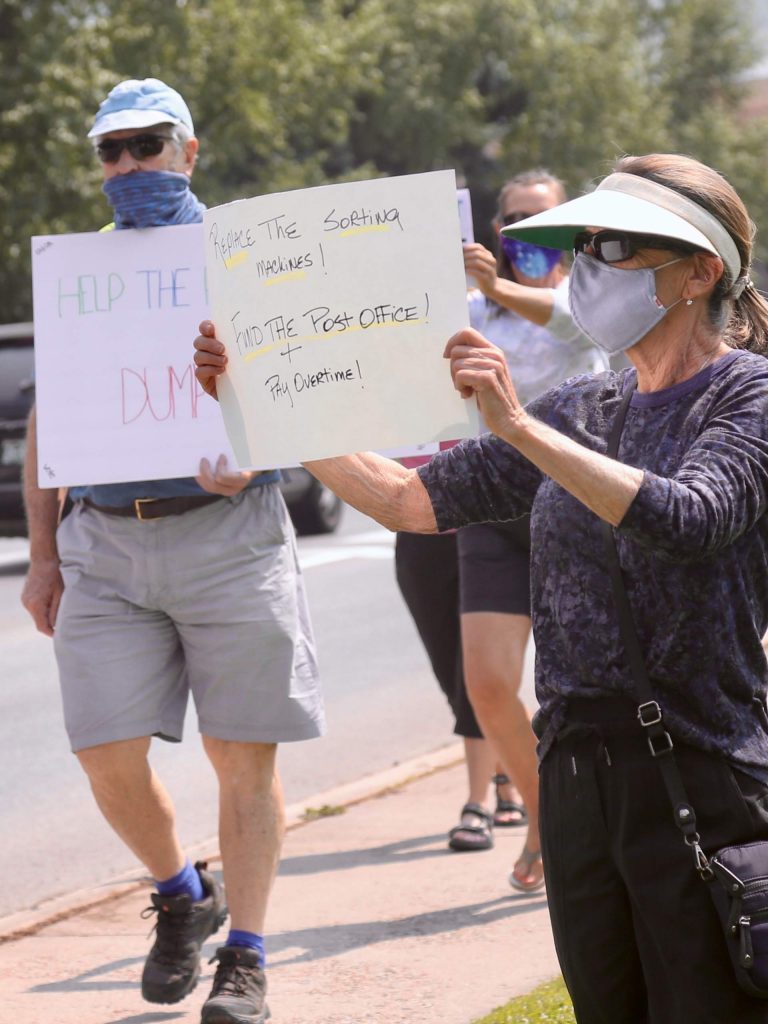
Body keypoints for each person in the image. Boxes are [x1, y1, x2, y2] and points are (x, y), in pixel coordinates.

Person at [196, 151, 768, 1022]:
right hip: (574, 775)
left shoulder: (746, 396)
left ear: (701, 273)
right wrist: (260, 397)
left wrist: (519, 428)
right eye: (583, 246)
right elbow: (408, 501)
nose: (590, 267)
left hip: (698, 770)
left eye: (617, 247)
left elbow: (690, 517)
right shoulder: (582, 408)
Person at [22, 79, 324, 1024]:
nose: (127, 165)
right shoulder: (78, 270)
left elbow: (305, 378)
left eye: (147, 145)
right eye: (111, 150)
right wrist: (43, 554)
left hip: (231, 535)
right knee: (102, 752)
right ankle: (185, 894)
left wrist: (259, 454)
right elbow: (49, 417)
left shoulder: (248, 256)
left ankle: (248, 957)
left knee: (243, 757)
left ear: (189, 152)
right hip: (104, 542)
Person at [394, 171, 608, 887]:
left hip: (574, 506)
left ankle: (593, 817)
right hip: (491, 511)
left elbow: (566, 324)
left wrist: (494, 289)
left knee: (580, 685)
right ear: (495, 232)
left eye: (539, 220)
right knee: (486, 684)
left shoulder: (590, 298)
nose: (524, 234)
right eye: (512, 221)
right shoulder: (471, 310)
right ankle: (545, 816)